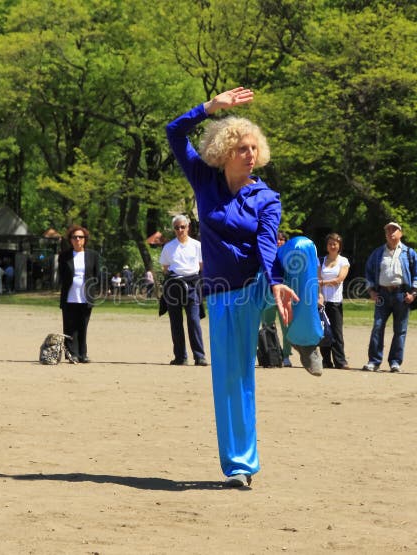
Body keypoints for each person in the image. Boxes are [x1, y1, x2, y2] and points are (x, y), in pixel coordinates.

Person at [166, 86, 323, 488]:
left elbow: (268, 241)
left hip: (260, 284)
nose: (250, 154)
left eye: (254, 148)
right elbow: (173, 132)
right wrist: (209, 107)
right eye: (242, 148)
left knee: (302, 247)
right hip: (221, 294)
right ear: (224, 151)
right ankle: (240, 467)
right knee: (233, 381)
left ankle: (305, 336)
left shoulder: (266, 196)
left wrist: (274, 282)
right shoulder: (204, 179)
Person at [363, 222, 417, 373]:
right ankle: (374, 361)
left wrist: (413, 293)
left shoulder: (409, 253)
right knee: (377, 326)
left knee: (400, 330)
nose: (391, 233)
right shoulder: (377, 253)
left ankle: (395, 362)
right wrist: (371, 291)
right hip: (382, 294)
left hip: (401, 295)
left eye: (394, 230)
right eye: (388, 230)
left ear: (400, 233)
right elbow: (369, 272)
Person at [160, 215, 208, 366]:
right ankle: (180, 356)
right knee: (176, 322)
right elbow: (165, 268)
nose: (180, 230)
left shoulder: (197, 245)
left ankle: (199, 356)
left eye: (182, 227)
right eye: (177, 227)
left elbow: (201, 266)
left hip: (192, 285)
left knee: (194, 321)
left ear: (188, 228)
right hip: (174, 286)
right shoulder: (168, 247)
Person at [58, 225, 102, 363]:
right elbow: (61, 275)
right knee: (70, 327)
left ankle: (83, 354)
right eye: (74, 237)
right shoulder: (64, 256)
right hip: (69, 296)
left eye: (80, 237)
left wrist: (97, 289)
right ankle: (72, 354)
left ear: (85, 239)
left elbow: (97, 274)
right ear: (70, 240)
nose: (77, 239)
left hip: (86, 296)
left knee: (83, 326)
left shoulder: (93, 255)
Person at [260, 231, 293, 367]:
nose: (279, 241)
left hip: (284, 296)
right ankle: (272, 354)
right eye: (277, 239)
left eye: (282, 239)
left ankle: (286, 355)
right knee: (267, 326)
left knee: (286, 327)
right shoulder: (265, 255)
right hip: (267, 296)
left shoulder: (289, 257)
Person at [318, 232, 350, 369]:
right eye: (330, 243)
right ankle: (326, 360)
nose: (332, 246)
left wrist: (323, 283)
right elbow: (317, 280)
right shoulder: (321, 260)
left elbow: (339, 280)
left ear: (339, 246)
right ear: (326, 246)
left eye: (335, 243)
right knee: (323, 331)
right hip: (322, 302)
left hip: (335, 301)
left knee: (337, 332)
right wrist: (319, 295)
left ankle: (340, 361)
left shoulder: (344, 261)